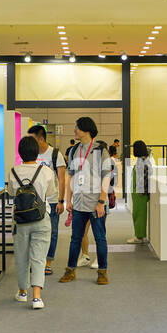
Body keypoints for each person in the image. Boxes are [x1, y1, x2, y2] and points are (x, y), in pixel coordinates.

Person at [59, 116, 111, 285]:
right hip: (79, 202)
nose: (74, 129)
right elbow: (71, 176)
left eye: (77, 127)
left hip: (96, 203)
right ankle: (70, 270)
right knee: (76, 238)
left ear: (86, 130)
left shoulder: (100, 150)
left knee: (100, 238)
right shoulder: (74, 150)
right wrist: (68, 200)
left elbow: (106, 176)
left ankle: (102, 272)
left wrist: (102, 202)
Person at [8, 135, 57, 309]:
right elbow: (50, 192)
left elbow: (13, 193)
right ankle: (36, 297)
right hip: (41, 218)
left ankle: (22, 292)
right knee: (39, 258)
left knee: (21, 256)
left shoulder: (14, 171)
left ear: (20, 153)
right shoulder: (46, 171)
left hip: (20, 220)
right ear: (37, 152)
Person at [29, 124, 67, 277]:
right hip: (34, 201)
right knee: (35, 232)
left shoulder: (55, 154)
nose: (30, 143)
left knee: (52, 232)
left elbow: (62, 179)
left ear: (41, 139)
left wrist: (61, 200)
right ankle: (38, 260)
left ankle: (48, 262)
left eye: (32, 140)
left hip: (52, 200)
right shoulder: (30, 155)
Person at [127, 140, 157, 244]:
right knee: (138, 214)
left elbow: (143, 179)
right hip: (138, 192)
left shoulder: (142, 162)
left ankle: (139, 236)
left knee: (139, 215)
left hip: (140, 193)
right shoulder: (143, 160)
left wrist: (142, 193)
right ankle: (139, 235)